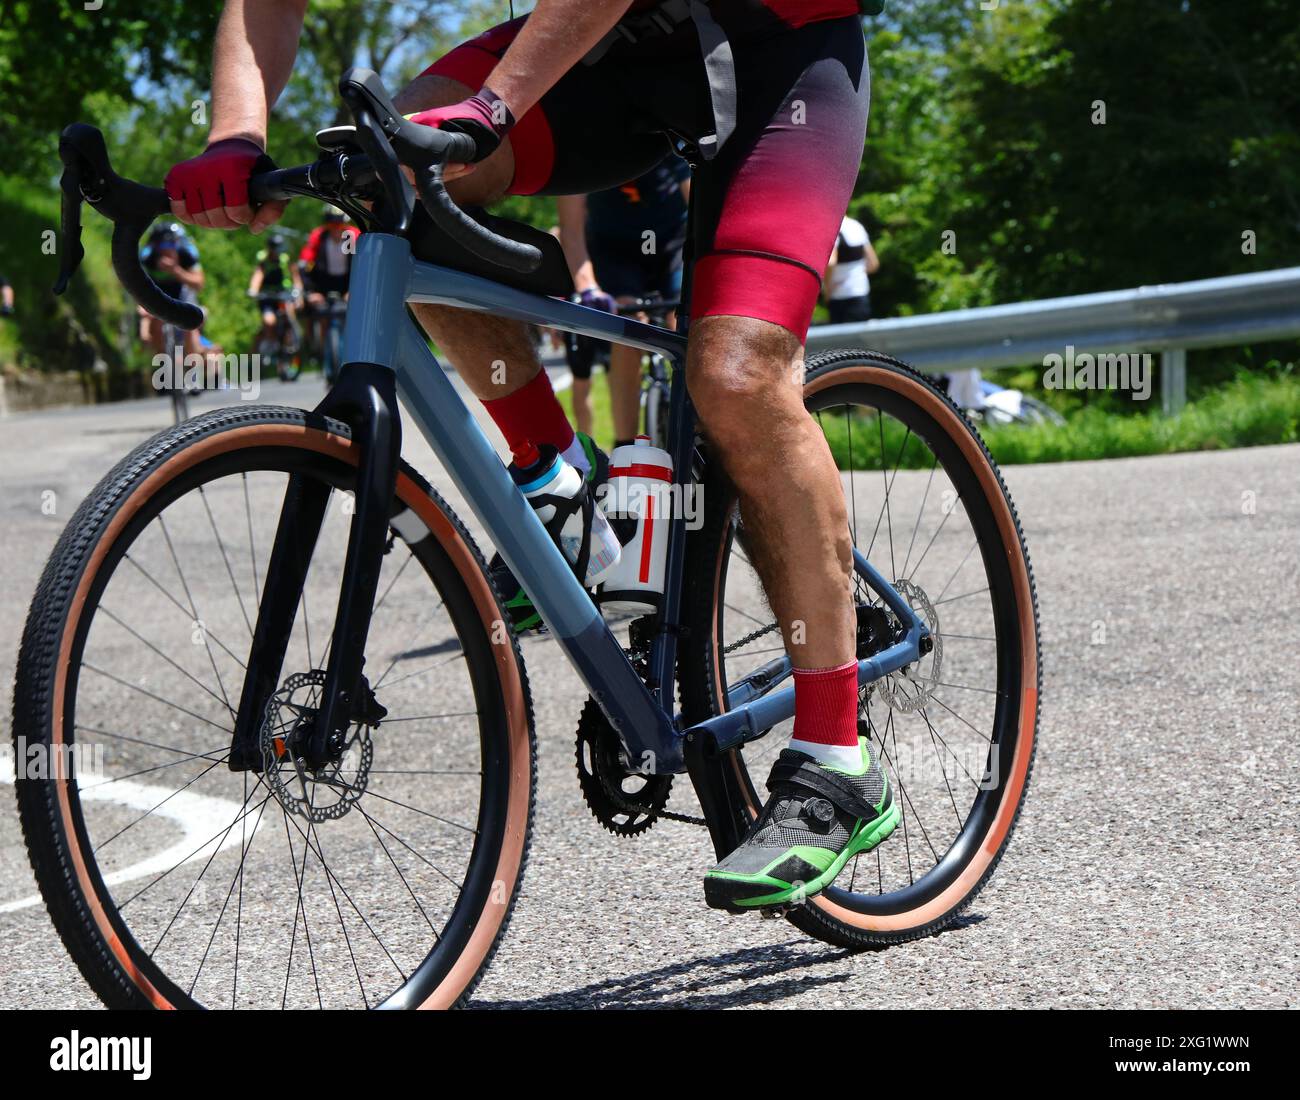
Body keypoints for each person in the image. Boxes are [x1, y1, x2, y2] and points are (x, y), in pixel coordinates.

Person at [163, 0, 893, 914]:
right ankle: (558, 482)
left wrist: (496, 106)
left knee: (737, 377)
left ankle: (835, 754)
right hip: (609, 48)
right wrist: (236, 135)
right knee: (383, 169)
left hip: (780, 44)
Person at [557, 154, 690, 445]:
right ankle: (625, 448)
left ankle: (702, 430)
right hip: (615, 255)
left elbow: (703, 212)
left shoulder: (668, 142)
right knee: (629, 331)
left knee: (687, 324)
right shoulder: (582, 145)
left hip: (673, 247)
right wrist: (588, 288)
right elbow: (571, 232)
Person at [138, 222, 205, 372]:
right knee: (155, 324)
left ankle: (194, 374)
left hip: (183, 292)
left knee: (190, 326)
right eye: (162, 246)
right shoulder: (147, 258)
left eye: (171, 245)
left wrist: (176, 271)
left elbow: (199, 283)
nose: (167, 250)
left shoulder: (187, 255)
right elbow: (135, 284)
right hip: (157, 292)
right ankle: (165, 367)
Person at [298, 209, 358, 351]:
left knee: (352, 315)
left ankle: (353, 350)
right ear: (327, 224)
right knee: (322, 315)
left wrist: (354, 290)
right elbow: (304, 265)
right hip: (323, 283)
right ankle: (324, 352)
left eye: (339, 224)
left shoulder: (352, 236)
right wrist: (310, 292)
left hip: (348, 282)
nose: (336, 228)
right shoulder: (319, 236)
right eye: (332, 224)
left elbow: (364, 264)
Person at [247, 230, 302, 351]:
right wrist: (253, 290)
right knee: (269, 321)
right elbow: (258, 275)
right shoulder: (264, 260)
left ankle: (290, 343)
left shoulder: (286, 259)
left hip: (284, 294)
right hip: (267, 296)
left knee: (289, 314)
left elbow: (295, 276)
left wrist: (299, 293)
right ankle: (269, 343)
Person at [824, 212, 878, 324]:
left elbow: (831, 262)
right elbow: (873, 264)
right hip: (860, 292)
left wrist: (827, 289)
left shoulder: (833, 228)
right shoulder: (857, 226)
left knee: (840, 340)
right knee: (859, 339)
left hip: (838, 295)